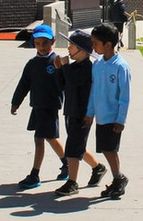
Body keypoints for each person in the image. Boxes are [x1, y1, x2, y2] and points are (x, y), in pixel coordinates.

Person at [10, 24, 69, 189]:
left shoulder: (57, 61)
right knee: (50, 138)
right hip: (37, 105)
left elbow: (65, 84)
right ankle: (66, 163)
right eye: (37, 43)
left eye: (45, 43)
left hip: (49, 106)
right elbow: (24, 84)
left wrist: (60, 70)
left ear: (53, 42)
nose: (41, 47)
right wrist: (16, 102)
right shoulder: (32, 63)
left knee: (40, 139)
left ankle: (35, 174)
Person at [53, 30, 108, 195]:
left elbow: (72, 80)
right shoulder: (73, 67)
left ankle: (72, 182)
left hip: (82, 114)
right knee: (77, 146)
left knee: (72, 147)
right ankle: (98, 167)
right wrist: (58, 69)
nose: (68, 49)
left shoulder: (87, 69)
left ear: (82, 51)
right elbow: (61, 85)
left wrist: (64, 66)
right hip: (70, 110)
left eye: (71, 46)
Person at [83, 22, 131, 199]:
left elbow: (125, 97)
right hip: (100, 117)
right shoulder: (97, 65)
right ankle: (118, 178)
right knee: (105, 148)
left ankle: (119, 179)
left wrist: (121, 120)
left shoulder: (121, 67)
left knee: (110, 149)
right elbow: (94, 91)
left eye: (96, 43)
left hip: (113, 118)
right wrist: (90, 113)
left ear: (108, 44)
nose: (93, 46)